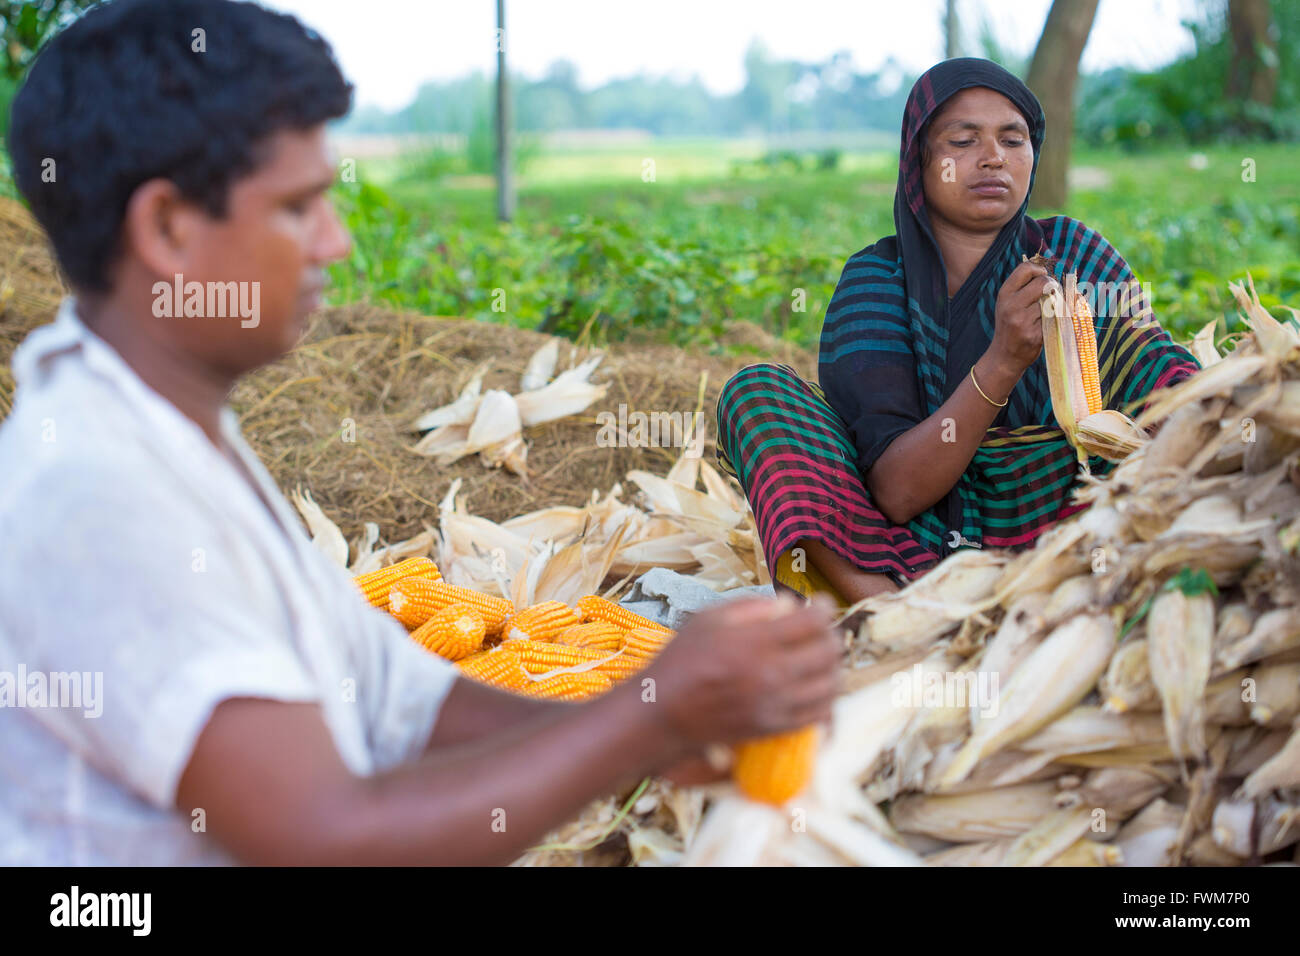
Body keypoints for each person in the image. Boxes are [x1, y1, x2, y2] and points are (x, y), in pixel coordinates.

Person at [0, 0, 841, 866]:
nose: (337, 241)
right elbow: (324, 834)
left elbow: (398, 696)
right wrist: (652, 713)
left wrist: (653, 736)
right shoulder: (98, 494)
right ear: (169, 229)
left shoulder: (172, 432)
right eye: (299, 207)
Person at [717, 58, 1199, 607]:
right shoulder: (877, 279)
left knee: (1173, 390)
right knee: (756, 394)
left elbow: (1157, 373)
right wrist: (1003, 360)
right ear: (918, 163)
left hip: (1071, 517)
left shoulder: (1075, 254)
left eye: (1013, 140)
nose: (993, 158)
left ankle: (1100, 579)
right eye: (964, 141)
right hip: (910, 543)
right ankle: (881, 612)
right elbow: (896, 494)